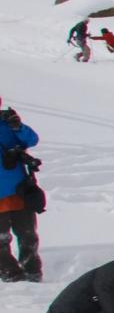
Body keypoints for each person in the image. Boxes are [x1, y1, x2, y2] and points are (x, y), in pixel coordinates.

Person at [1, 101, 43, 282]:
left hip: (19, 192)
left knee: (28, 236)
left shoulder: (7, 123)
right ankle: (11, 274)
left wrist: (18, 127)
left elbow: (32, 140)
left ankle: (33, 272)